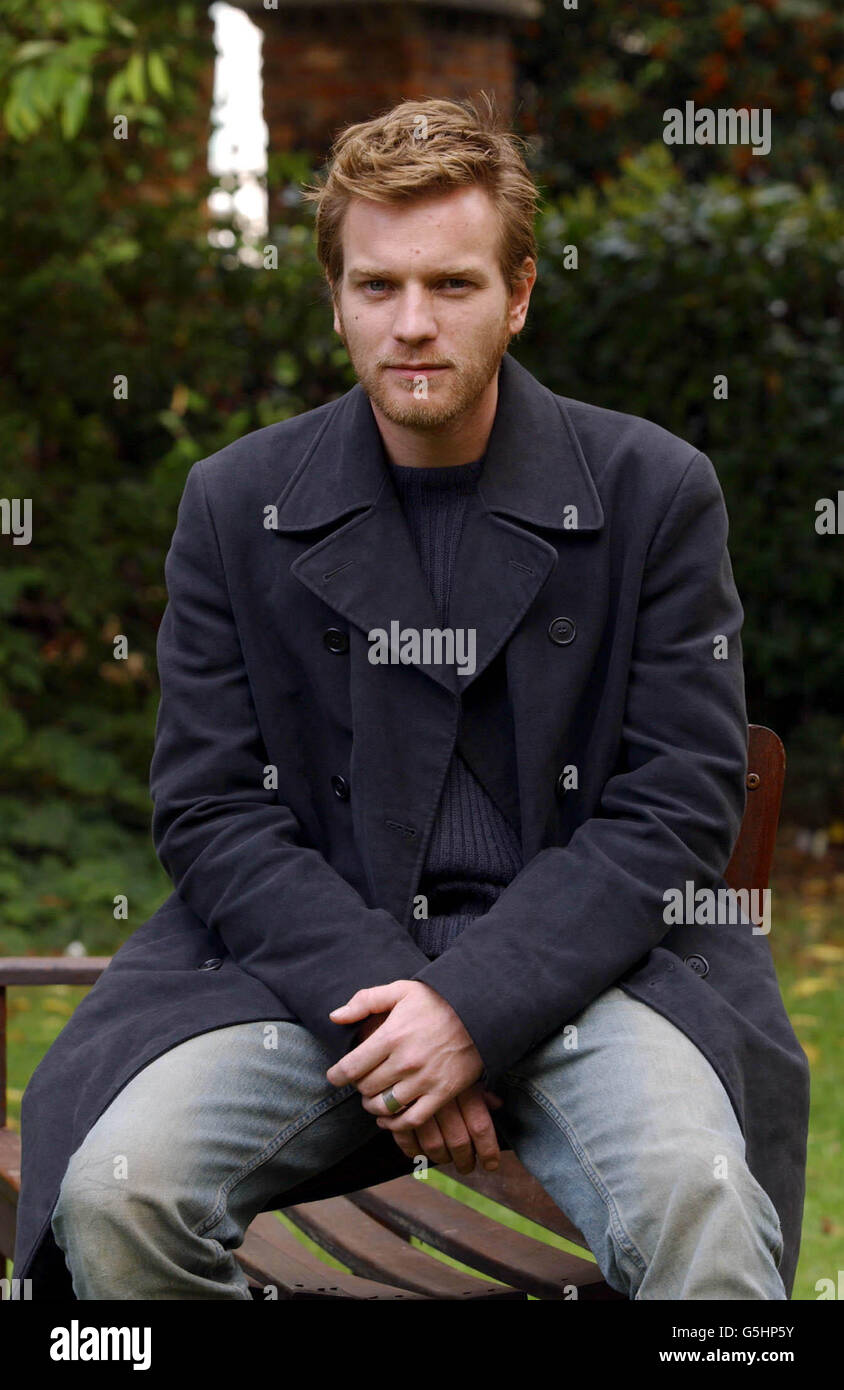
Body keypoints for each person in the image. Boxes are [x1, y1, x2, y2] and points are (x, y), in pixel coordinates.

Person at [14, 95, 809, 1301]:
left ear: (521, 292)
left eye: (452, 284)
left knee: (697, 1203)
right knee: (120, 1194)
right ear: (332, 297)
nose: (413, 325)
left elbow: (679, 801)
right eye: (377, 288)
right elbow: (215, 809)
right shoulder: (237, 504)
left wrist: (472, 1006)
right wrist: (407, 1014)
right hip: (310, 980)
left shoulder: (653, 491)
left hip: (595, 970)